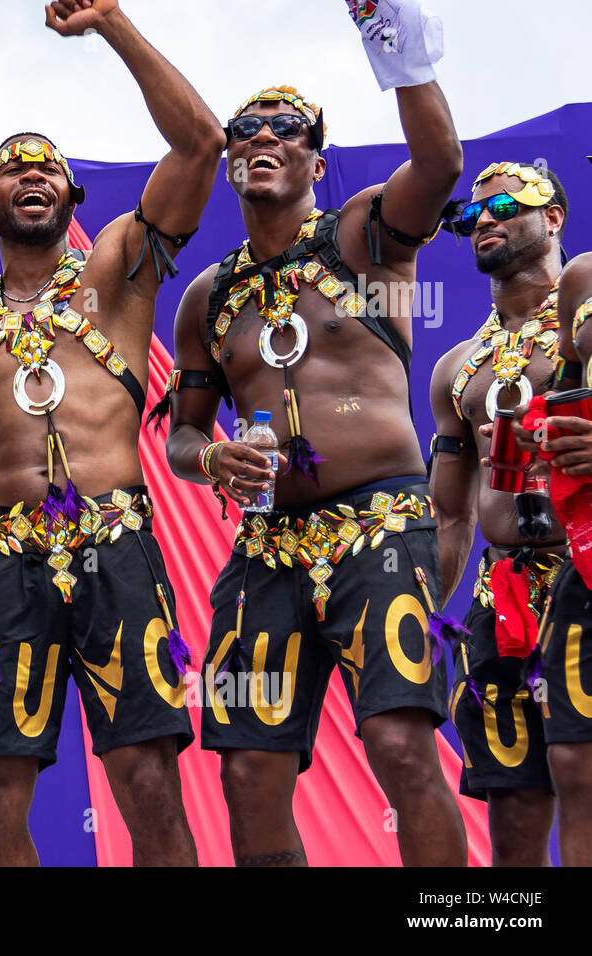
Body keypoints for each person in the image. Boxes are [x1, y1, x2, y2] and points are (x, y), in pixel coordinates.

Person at [0, 0, 224, 866]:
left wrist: (113, 22)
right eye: (12, 169)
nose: (32, 173)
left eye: (48, 167)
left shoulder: (122, 272)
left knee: (150, 783)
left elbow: (201, 143)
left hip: (116, 550)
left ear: (73, 196)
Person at [162, 0, 467, 865]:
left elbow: (440, 161)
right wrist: (215, 457)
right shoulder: (207, 298)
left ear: (315, 161)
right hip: (266, 549)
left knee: (402, 747)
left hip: (379, 526)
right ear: (228, 163)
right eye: (245, 130)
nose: (262, 136)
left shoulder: (365, 239)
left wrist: (391, 43)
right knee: (249, 769)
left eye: (286, 128)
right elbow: (184, 440)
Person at [429, 162, 570, 865]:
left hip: (586, 578)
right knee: (513, 799)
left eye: (506, 206)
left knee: (584, 775)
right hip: (503, 597)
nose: (483, 220)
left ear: (554, 218)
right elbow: (450, 517)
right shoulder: (457, 369)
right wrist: (420, 618)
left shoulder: (587, 325)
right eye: (469, 216)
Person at [510, 243, 592, 866]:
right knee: (574, 763)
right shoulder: (582, 276)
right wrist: (536, 428)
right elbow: (569, 390)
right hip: (583, 560)